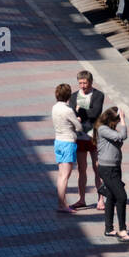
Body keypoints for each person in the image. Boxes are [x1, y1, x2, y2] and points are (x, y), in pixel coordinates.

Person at [94, 107, 129, 241]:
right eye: (117, 121)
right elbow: (122, 136)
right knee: (122, 197)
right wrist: (123, 120)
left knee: (111, 197)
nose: (118, 124)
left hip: (114, 167)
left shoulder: (109, 130)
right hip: (107, 168)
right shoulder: (103, 129)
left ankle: (109, 228)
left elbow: (119, 141)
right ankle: (122, 230)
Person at [69, 70, 105, 210]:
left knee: (97, 169)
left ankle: (101, 199)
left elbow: (95, 113)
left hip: (94, 137)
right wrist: (82, 113)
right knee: (81, 169)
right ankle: (81, 199)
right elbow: (72, 113)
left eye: (85, 83)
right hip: (79, 138)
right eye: (80, 83)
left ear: (91, 82)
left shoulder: (98, 95)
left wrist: (80, 112)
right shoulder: (73, 96)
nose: (83, 86)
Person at [52, 84, 82, 214]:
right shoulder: (68, 110)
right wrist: (78, 118)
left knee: (61, 174)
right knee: (65, 175)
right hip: (68, 142)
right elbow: (79, 127)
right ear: (68, 95)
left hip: (58, 141)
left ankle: (62, 202)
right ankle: (61, 204)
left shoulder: (54, 107)